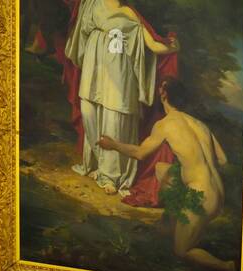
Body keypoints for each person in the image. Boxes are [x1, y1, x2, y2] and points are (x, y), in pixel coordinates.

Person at [99, 79, 238, 271]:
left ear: (164, 95)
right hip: (218, 193)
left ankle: (226, 266)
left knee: (181, 250)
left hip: (200, 197)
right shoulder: (199, 124)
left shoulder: (165, 124)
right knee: (162, 169)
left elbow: (139, 153)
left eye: (160, 88)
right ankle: (172, 223)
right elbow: (223, 160)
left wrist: (113, 144)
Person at [63, 0, 178, 196]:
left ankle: (111, 175)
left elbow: (153, 45)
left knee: (114, 122)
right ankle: (96, 163)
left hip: (119, 75)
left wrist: (174, 46)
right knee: (88, 112)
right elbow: (80, 34)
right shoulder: (92, 3)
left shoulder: (130, 14)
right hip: (94, 68)